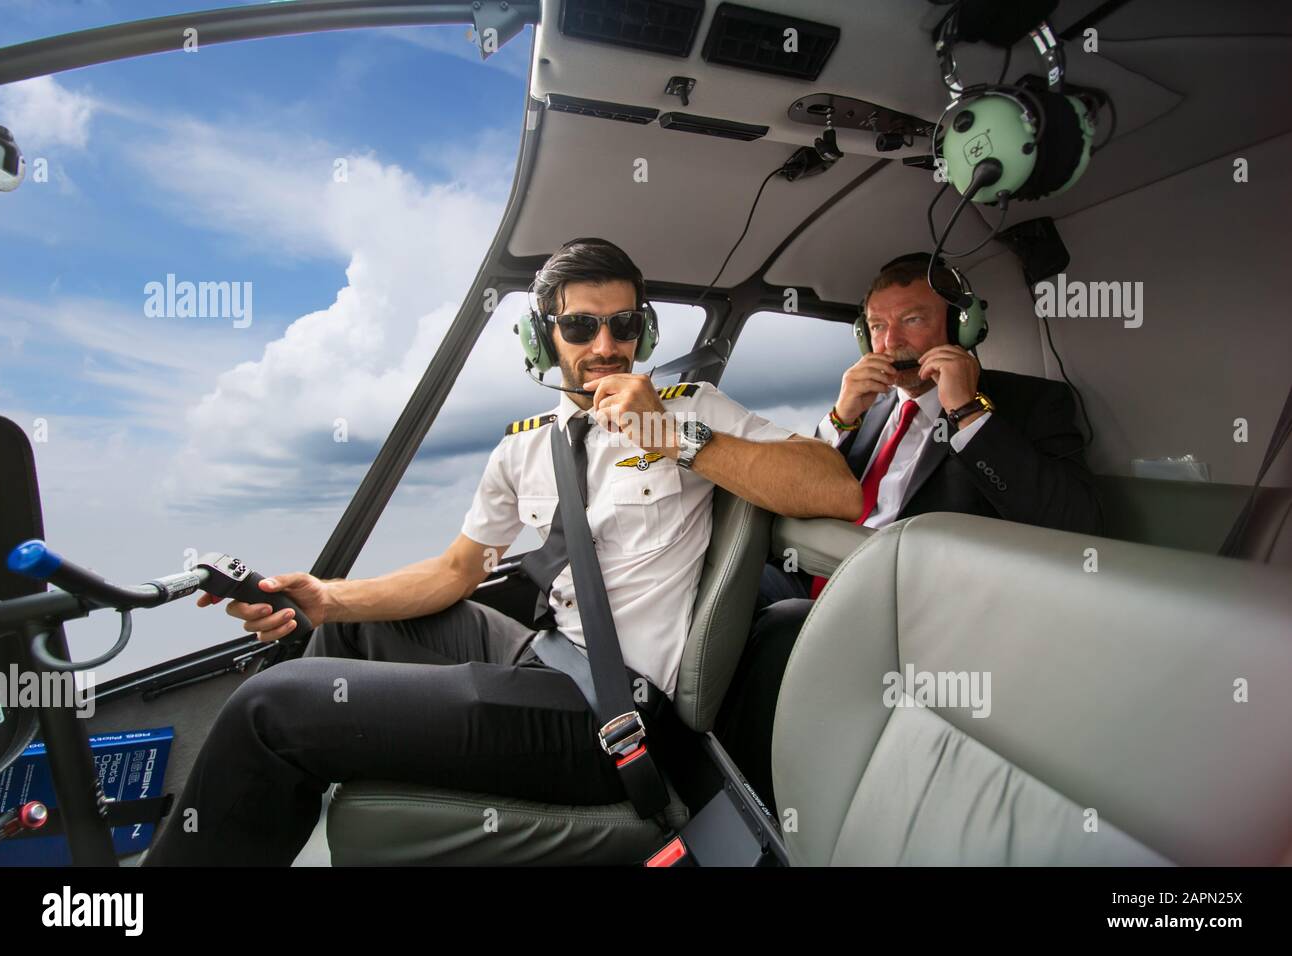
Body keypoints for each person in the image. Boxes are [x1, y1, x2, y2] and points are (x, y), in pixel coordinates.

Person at [144, 237, 862, 865]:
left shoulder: (692, 407)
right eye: (580, 326)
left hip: (613, 709)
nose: (604, 346)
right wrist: (327, 595)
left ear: (641, 332)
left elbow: (834, 489)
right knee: (344, 624)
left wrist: (678, 440)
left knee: (272, 705)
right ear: (542, 338)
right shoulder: (525, 445)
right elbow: (459, 571)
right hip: (544, 655)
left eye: (621, 325)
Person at [717, 252, 1102, 813]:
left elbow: (1076, 524)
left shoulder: (1028, 404)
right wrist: (840, 419)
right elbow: (804, 486)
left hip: (921, 606)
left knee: (781, 631)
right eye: (876, 325)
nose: (889, 340)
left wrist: (968, 412)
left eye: (913, 320)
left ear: (963, 325)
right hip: (820, 574)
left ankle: (763, 811)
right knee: (726, 595)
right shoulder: (867, 408)